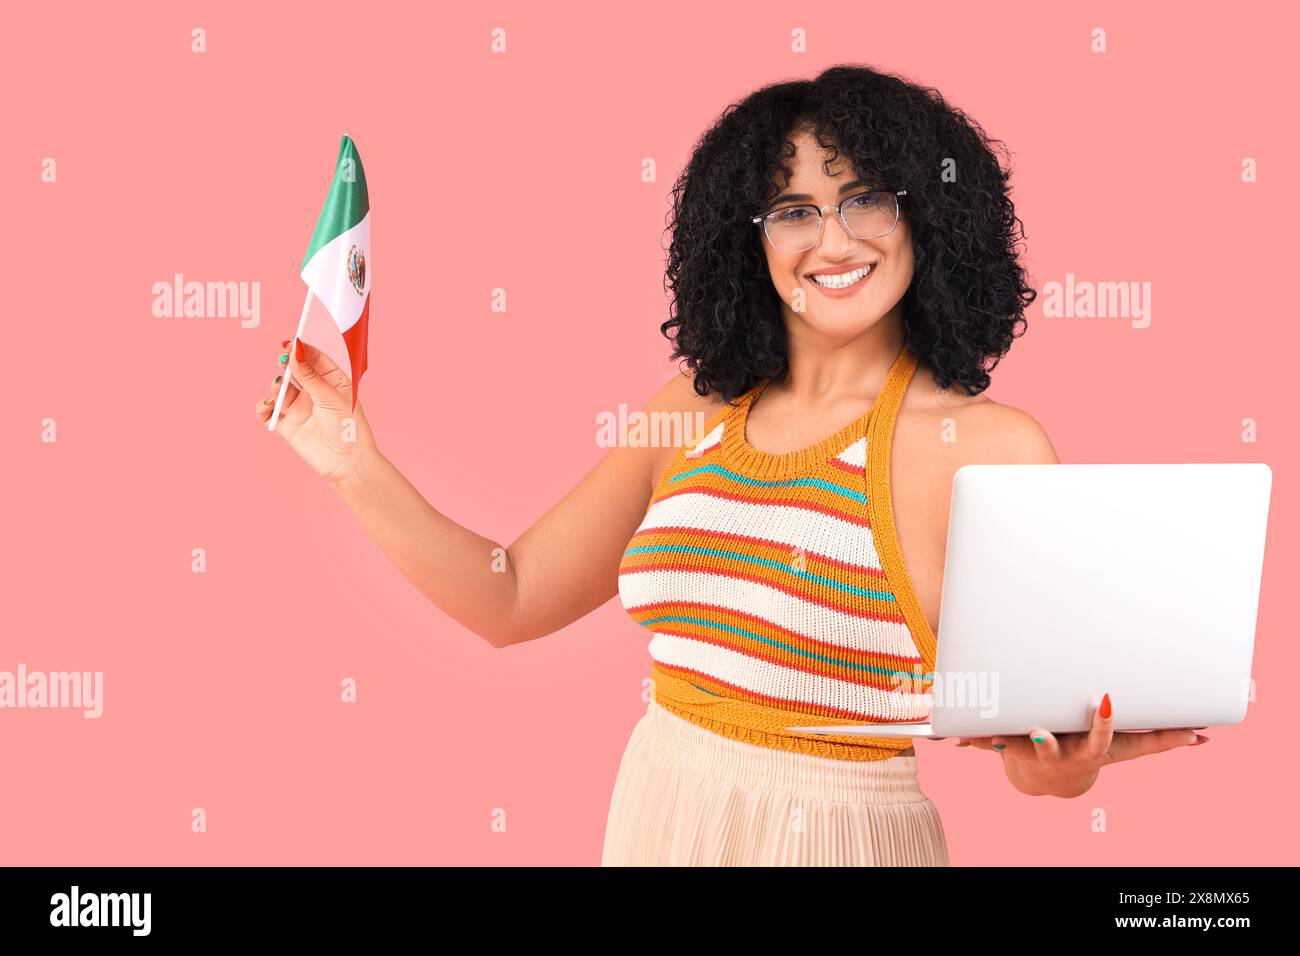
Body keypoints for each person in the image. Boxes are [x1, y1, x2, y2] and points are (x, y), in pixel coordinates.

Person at [254, 64, 1207, 866]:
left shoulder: (992, 449)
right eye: (793, 211)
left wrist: (1063, 765)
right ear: (746, 243)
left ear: (929, 216)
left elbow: (1032, 741)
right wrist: (349, 459)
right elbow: (512, 597)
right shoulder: (693, 414)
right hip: (657, 817)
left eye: (865, 197)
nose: (833, 241)